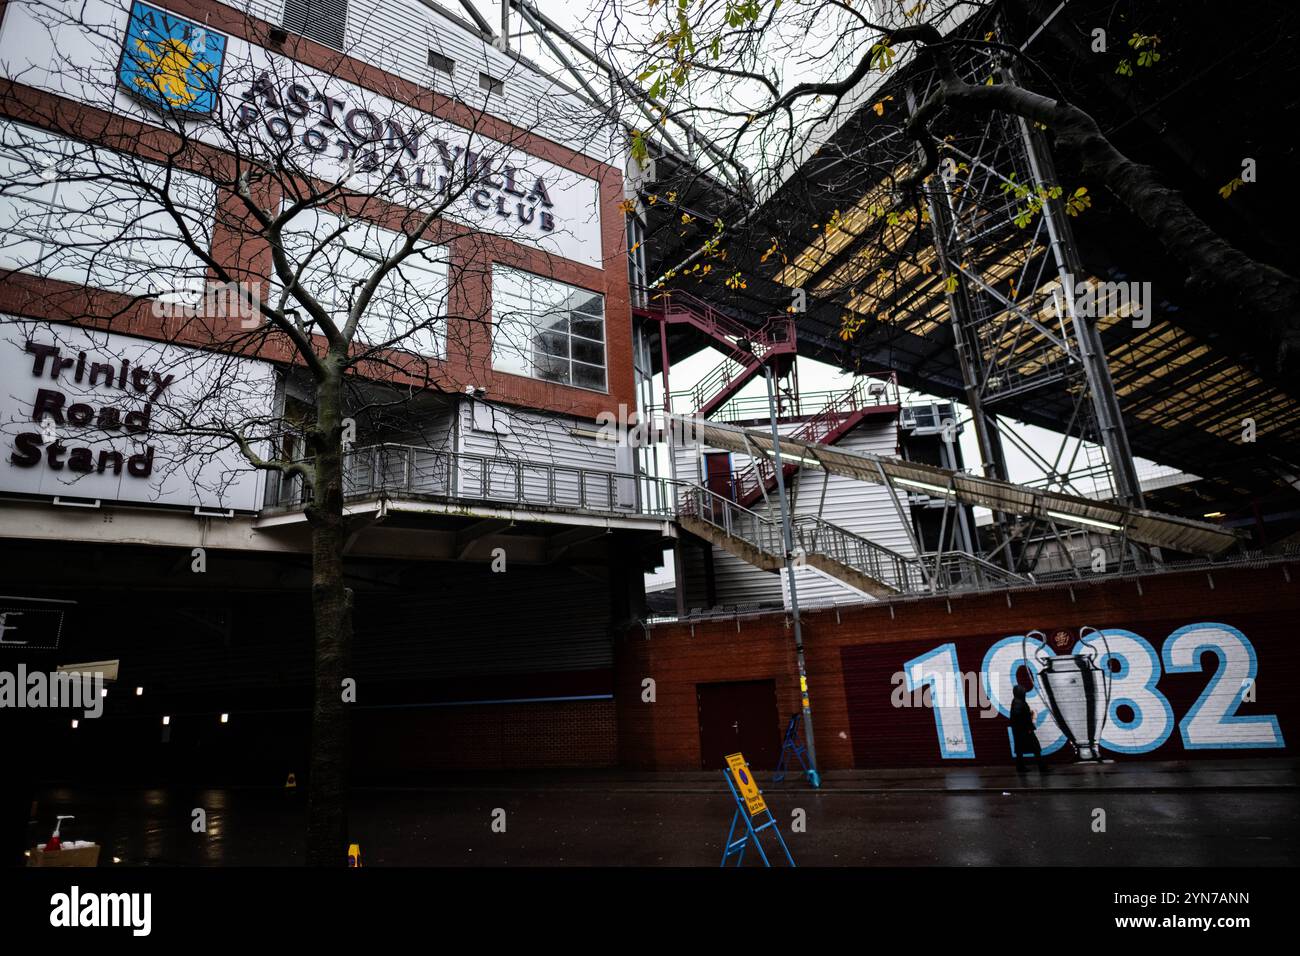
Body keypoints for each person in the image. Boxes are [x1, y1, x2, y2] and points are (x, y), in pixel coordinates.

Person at [1010, 685, 1050, 772]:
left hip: (1020, 731)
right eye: (1023, 691)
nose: (1024, 693)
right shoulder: (1019, 703)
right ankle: (1041, 767)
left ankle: (1020, 767)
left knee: (1020, 749)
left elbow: (1017, 717)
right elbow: (1019, 717)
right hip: (1024, 731)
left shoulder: (1017, 701)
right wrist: (1029, 719)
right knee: (1035, 747)